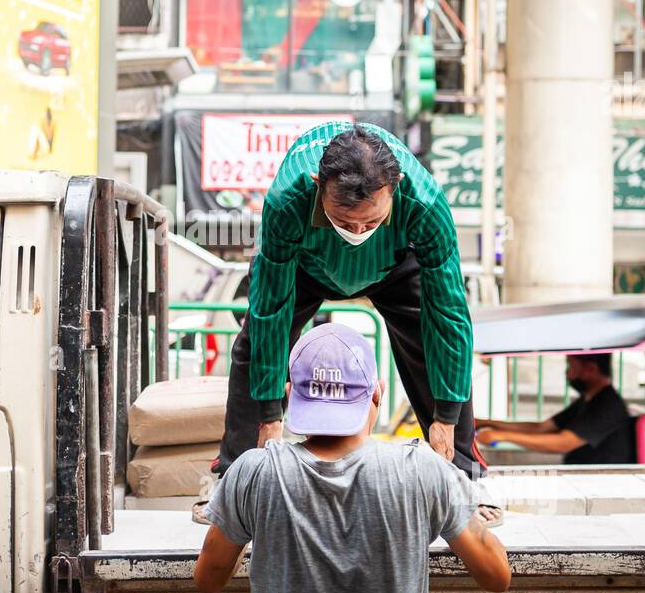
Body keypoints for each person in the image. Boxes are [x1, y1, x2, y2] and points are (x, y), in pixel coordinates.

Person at [198, 120, 502, 524]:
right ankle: (235, 479)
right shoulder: (289, 199)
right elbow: (269, 311)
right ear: (317, 186)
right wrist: (271, 415)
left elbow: (449, 315)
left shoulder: (425, 203)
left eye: (370, 222)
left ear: (395, 189)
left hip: (394, 263)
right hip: (307, 263)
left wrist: (445, 417)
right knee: (255, 344)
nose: (357, 232)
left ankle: (463, 478)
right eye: (345, 221)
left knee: (434, 344)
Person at [193, 323, 511, 593]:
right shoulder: (422, 469)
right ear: (377, 392)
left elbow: (209, 578)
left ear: (289, 394)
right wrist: (447, 494)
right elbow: (496, 575)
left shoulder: (253, 472)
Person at [474, 353, 636, 463]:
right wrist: (486, 423)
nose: (567, 373)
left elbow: (563, 443)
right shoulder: (587, 400)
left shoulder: (607, 404)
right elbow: (542, 427)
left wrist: (502, 436)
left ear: (590, 369)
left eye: (571, 366)